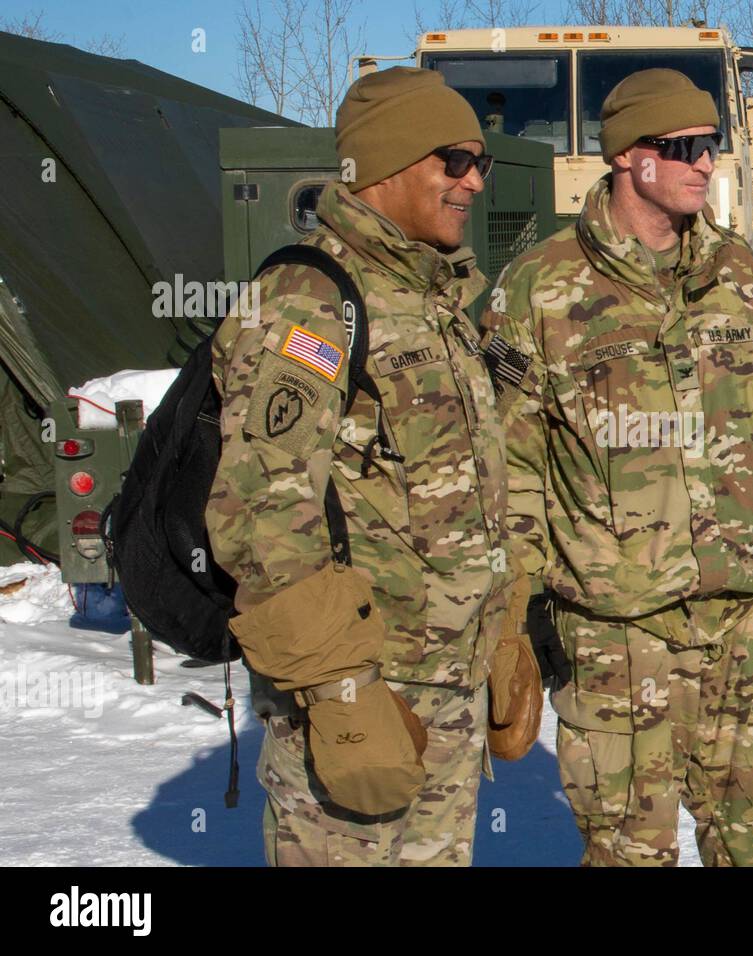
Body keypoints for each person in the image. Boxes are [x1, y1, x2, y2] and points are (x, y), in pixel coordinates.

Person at [481, 68, 753, 866]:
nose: (705, 162)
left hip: (746, 626)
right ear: (627, 158)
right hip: (617, 638)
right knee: (626, 856)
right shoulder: (538, 291)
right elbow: (512, 468)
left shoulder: (741, 280)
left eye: (710, 144)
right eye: (683, 146)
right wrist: (524, 601)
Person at [206, 67, 514, 866]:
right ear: (387, 163)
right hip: (359, 701)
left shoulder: (432, 301)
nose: (474, 181)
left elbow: (463, 491)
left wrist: (502, 631)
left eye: (478, 161)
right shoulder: (311, 300)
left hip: (445, 695)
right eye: (454, 160)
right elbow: (260, 514)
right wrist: (340, 691)